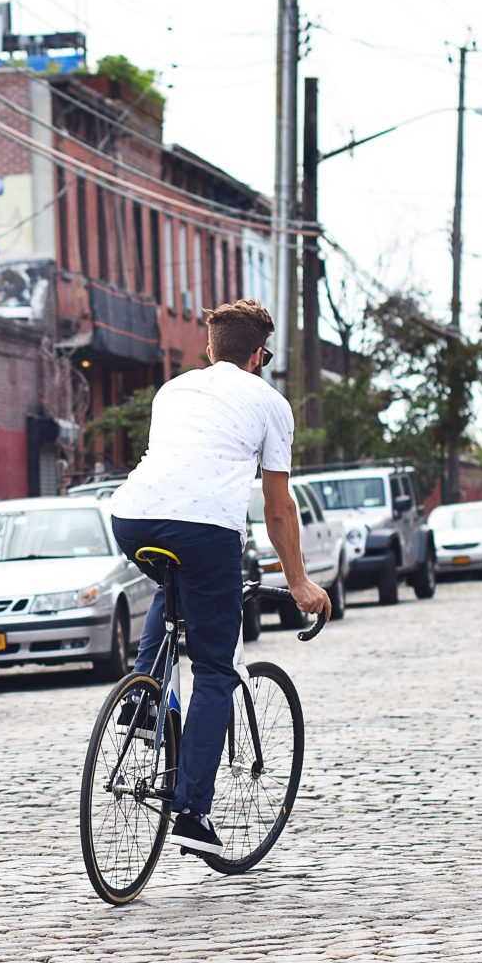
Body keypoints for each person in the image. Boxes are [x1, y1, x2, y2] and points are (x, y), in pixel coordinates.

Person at [104, 299, 330, 858]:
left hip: (131, 517)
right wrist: (299, 582)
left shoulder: (172, 391)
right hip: (207, 532)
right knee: (214, 670)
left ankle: (144, 694)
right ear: (258, 355)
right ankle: (192, 810)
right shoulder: (271, 404)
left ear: (209, 348)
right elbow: (278, 508)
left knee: (170, 582)